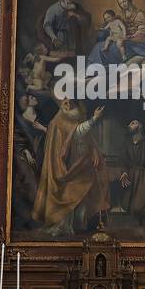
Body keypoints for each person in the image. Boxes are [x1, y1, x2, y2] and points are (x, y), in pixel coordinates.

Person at [33, 99, 109, 236]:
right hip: (67, 167)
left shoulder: (74, 119)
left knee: (81, 194)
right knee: (68, 195)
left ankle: (78, 224)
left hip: (81, 164)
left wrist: (94, 151)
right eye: (65, 102)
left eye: (70, 102)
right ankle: (63, 226)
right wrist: (95, 118)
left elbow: (85, 137)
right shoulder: (59, 120)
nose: (68, 105)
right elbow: (76, 132)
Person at [116, 118, 145, 220]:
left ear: (140, 127)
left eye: (134, 123)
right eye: (130, 123)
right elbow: (123, 162)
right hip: (131, 178)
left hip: (144, 179)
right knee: (126, 206)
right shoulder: (126, 145)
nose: (130, 125)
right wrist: (124, 173)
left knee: (139, 208)